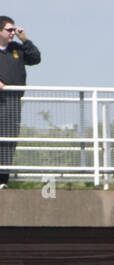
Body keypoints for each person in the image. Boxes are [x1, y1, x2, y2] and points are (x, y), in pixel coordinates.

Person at [0, 17, 39, 190]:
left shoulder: (17, 48)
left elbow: (35, 58)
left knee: (8, 140)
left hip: (12, 101)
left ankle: (2, 180)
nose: (12, 33)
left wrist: (24, 39)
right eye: (9, 30)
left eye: (13, 29)